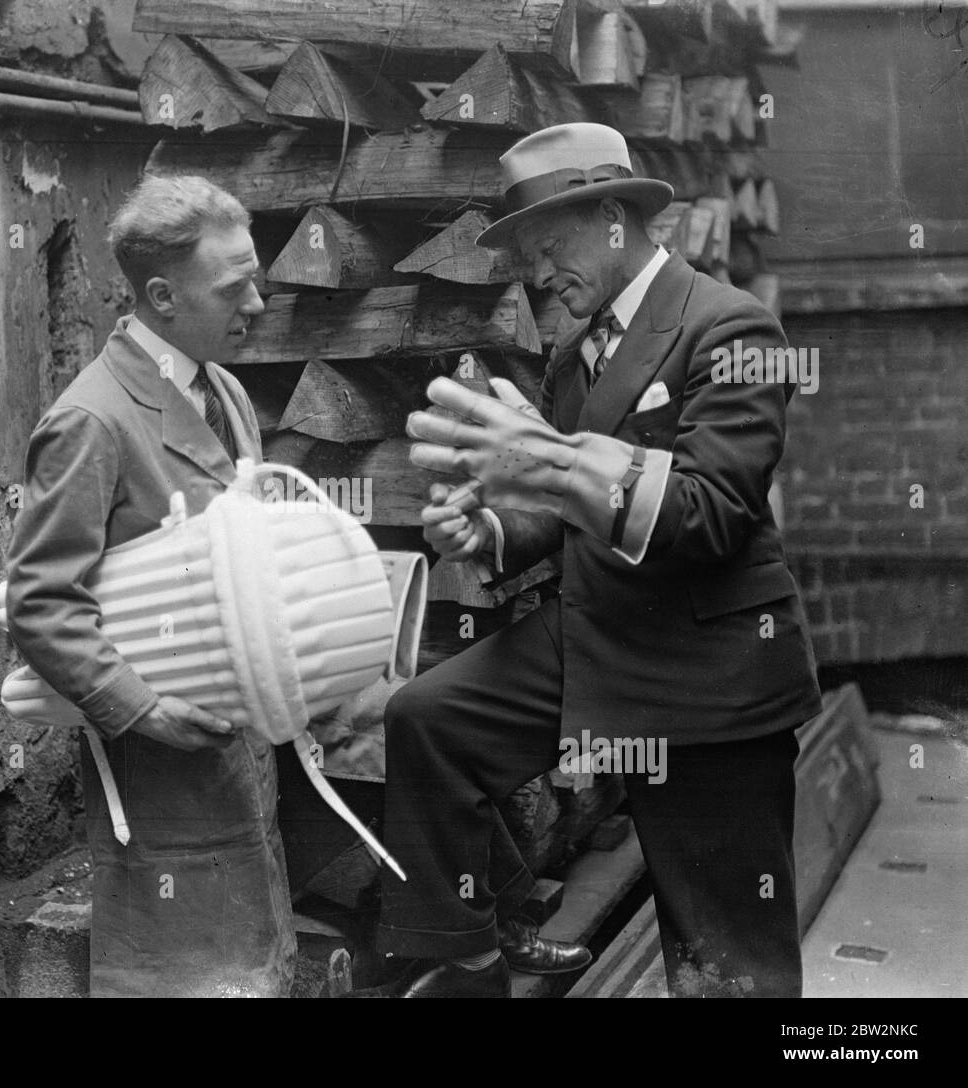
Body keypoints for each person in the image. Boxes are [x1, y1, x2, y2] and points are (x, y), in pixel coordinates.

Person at [361, 123, 823, 998]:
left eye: (549, 248)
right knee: (428, 720)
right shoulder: (579, 352)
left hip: (707, 667)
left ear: (614, 218)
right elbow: (566, 510)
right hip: (599, 632)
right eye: (527, 258)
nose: (538, 275)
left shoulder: (731, 326)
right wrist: (494, 531)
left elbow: (710, 514)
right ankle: (472, 956)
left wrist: (547, 462)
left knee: (726, 958)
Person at [4, 174, 295, 997]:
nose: (257, 305)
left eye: (256, 280)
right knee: (178, 974)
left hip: (236, 741)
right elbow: (39, 601)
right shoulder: (91, 420)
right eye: (234, 288)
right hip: (158, 758)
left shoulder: (221, 388)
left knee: (250, 962)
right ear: (162, 296)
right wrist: (143, 710)